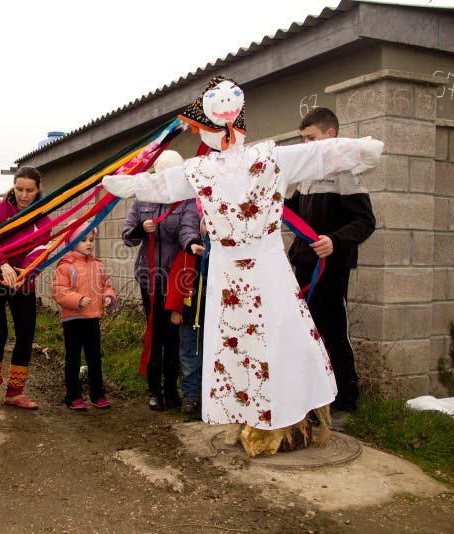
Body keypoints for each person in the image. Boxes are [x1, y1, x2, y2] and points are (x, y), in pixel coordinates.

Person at [103, 76, 383, 456]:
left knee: (277, 335)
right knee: (238, 341)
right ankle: (249, 409)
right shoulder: (205, 171)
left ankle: (285, 412)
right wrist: (131, 185)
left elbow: (319, 154)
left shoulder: (267, 157)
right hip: (228, 269)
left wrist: (356, 150)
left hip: (264, 264)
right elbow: (163, 185)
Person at [285, 107, 376, 420]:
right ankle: (315, 397)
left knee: (334, 333)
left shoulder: (345, 172)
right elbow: (294, 213)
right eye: (303, 139)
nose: (306, 144)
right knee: (307, 334)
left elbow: (365, 221)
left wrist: (334, 241)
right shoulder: (307, 175)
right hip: (305, 266)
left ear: (330, 135)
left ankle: (346, 402)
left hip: (331, 268)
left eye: (310, 138)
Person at [122, 150, 201, 411]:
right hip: (149, 277)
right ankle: (154, 390)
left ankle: (171, 389)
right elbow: (127, 236)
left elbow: (188, 229)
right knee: (155, 333)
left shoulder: (186, 200)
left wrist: (192, 244)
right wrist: (141, 228)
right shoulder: (142, 198)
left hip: (177, 278)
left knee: (173, 334)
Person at [0, 166, 51, 409]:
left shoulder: (43, 218)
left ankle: (15, 391)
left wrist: (24, 273)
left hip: (23, 282)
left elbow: (40, 250)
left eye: (29, 190)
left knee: (25, 334)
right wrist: (3, 265)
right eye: (19, 189)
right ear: (13, 186)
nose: (23, 195)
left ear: (37, 189)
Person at [52, 222, 117, 410]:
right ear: (73, 242)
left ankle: (98, 394)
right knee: (73, 357)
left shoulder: (98, 265)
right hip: (73, 319)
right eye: (83, 240)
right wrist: (78, 299)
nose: (88, 244)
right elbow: (59, 291)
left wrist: (108, 297)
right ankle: (73, 396)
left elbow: (106, 285)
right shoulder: (65, 265)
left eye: (91, 240)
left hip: (93, 317)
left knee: (94, 357)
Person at [165, 214, 206, 419]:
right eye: (205, 223)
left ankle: (209, 397)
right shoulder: (188, 253)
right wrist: (175, 308)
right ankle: (191, 396)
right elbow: (176, 281)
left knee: (209, 359)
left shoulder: (223, 254)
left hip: (214, 320)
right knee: (190, 358)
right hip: (190, 318)